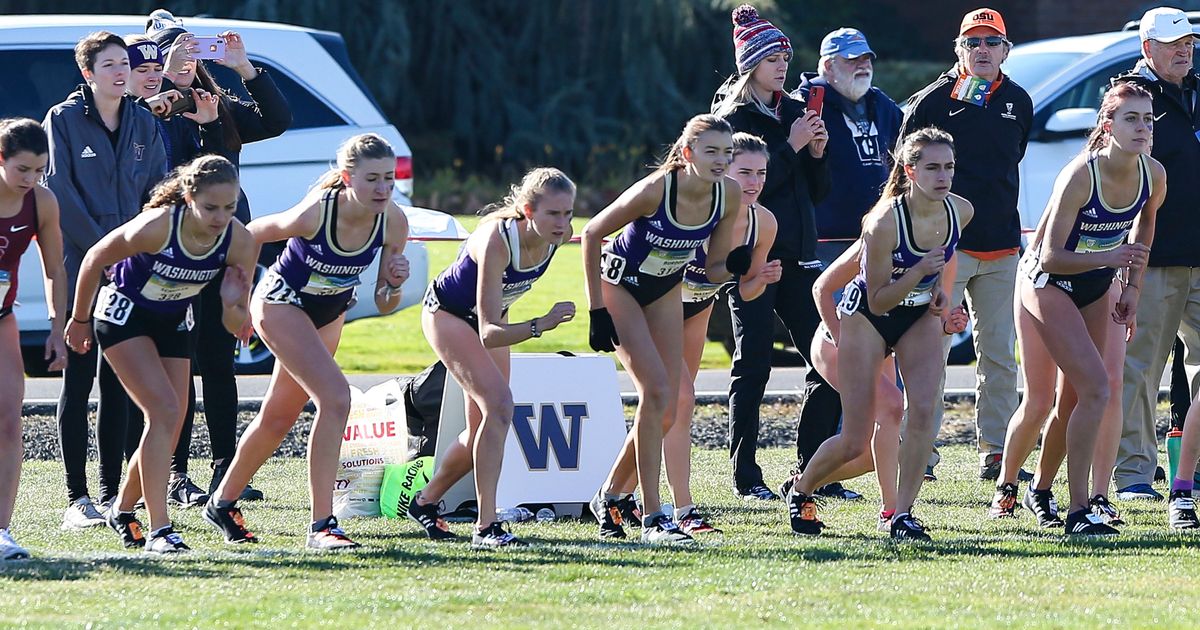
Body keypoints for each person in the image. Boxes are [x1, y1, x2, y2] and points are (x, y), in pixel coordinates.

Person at [203, 133, 408, 550]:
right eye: (372, 179)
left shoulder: (394, 221)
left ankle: (221, 502)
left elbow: (386, 303)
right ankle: (322, 526)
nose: (383, 188)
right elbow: (253, 232)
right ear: (348, 178)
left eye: (389, 178)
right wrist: (239, 300)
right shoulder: (319, 211)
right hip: (281, 301)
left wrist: (394, 284)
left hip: (330, 310)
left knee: (279, 416)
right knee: (336, 399)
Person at [787, 127, 974, 542]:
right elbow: (878, 299)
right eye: (932, 168)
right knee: (855, 440)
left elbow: (944, 259)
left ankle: (901, 514)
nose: (943, 176)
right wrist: (918, 272)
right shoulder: (883, 222)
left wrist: (942, 297)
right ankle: (801, 490)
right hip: (867, 317)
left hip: (916, 314)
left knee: (921, 411)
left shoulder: (961, 210)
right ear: (910, 171)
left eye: (949, 167)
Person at [63, 155, 257, 553]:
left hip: (172, 320)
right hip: (123, 315)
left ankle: (122, 509)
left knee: (170, 420)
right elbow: (94, 258)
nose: (221, 217)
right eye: (211, 208)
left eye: (230, 207)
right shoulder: (157, 226)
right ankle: (160, 530)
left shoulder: (240, 241)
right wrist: (79, 320)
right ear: (189, 197)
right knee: (165, 412)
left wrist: (232, 304)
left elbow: (234, 321)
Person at [998, 81, 1162, 535]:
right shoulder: (1080, 174)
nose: (1142, 128)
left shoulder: (1153, 174)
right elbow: (1050, 257)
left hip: (1095, 282)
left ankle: (1042, 490)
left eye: (1148, 120)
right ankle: (1069, 506)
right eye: (1131, 119)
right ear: (1107, 125)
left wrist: (1132, 288)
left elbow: (1144, 231)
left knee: (1079, 397)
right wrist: (1112, 257)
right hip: (1047, 281)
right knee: (1061, 395)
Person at [148, 10, 293, 505]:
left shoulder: (216, 104)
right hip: (171, 251)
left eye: (192, 50)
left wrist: (244, 67)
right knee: (177, 365)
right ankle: (176, 473)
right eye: (174, 52)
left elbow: (276, 121)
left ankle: (225, 472)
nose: (187, 59)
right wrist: (170, 85)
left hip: (224, 249)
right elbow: (172, 178)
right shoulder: (150, 111)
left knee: (218, 362)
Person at [582, 113, 742, 545]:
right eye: (711, 152)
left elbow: (714, 268)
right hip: (621, 287)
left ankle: (610, 495)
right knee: (655, 392)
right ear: (687, 153)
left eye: (727, 153)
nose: (721, 161)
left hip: (666, 289)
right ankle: (654, 518)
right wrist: (596, 310)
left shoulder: (728, 194)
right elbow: (592, 232)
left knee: (668, 408)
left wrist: (738, 267)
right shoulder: (658, 188)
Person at [406, 168, 576, 549]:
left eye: (568, 213)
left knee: (483, 427)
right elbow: (489, 332)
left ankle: (425, 502)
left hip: (492, 318)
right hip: (449, 315)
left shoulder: (557, 237)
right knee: (500, 408)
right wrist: (542, 324)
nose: (563, 223)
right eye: (553, 214)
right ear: (528, 210)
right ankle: (486, 527)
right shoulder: (497, 240)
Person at [899, 8, 1032, 482]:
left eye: (991, 42)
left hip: (1002, 247)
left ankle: (996, 452)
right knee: (929, 355)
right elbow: (902, 175)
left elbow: (1011, 161)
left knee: (999, 356)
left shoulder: (1018, 100)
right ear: (959, 50)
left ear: (1005, 51)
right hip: (942, 250)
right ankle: (920, 454)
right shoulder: (931, 102)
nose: (982, 50)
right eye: (972, 42)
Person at [44, 31, 167, 529]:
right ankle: (77, 498)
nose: (121, 72)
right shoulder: (63, 119)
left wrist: (136, 252)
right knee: (79, 379)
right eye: (110, 64)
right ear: (88, 73)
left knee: (120, 383)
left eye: (125, 63)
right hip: (81, 266)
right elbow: (59, 189)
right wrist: (105, 253)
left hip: (132, 271)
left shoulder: (144, 121)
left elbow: (159, 193)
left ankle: (114, 494)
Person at [711, 4, 835, 501]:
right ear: (750, 65)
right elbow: (743, 187)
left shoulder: (794, 111)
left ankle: (811, 472)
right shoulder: (732, 119)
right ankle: (746, 476)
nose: (782, 66)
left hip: (800, 256)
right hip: (753, 255)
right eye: (771, 59)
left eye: (785, 57)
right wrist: (792, 145)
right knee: (753, 365)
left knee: (828, 361)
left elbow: (817, 192)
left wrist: (818, 153)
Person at [793, 26, 903, 498]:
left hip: (874, 241)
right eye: (852, 58)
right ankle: (813, 460)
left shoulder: (883, 105)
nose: (863, 66)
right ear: (827, 65)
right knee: (833, 362)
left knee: (878, 360)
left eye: (866, 57)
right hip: (826, 242)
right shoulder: (808, 102)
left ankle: (866, 470)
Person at [809, 239, 968, 531]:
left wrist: (948, 325)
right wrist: (845, 342)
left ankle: (801, 485)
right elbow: (821, 288)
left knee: (871, 455)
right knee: (889, 410)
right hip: (836, 344)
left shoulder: (946, 255)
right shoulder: (878, 238)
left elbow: (933, 317)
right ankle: (891, 513)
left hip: (883, 348)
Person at [667, 132, 781, 535]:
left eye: (761, 174)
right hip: (657, 304)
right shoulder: (700, 208)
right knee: (678, 400)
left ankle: (614, 493)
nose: (754, 182)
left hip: (698, 306)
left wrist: (762, 278)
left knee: (670, 409)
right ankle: (679, 508)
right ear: (723, 171)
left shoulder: (764, 222)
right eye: (745, 172)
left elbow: (745, 291)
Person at [1113, 6, 1200, 503]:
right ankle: (1134, 475)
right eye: (1173, 45)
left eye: (1188, 43)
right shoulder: (1130, 98)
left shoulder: (1197, 89)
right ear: (1148, 49)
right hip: (1152, 255)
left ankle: (1191, 470)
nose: (1184, 51)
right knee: (1140, 370)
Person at [0, 119, 69, 560]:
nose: (31, 179)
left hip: (2, 319)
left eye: (39, 169)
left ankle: (1, 531)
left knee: (9, 422)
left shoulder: (41, 201)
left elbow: (55, 269)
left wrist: (57, 327)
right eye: (22, 169)